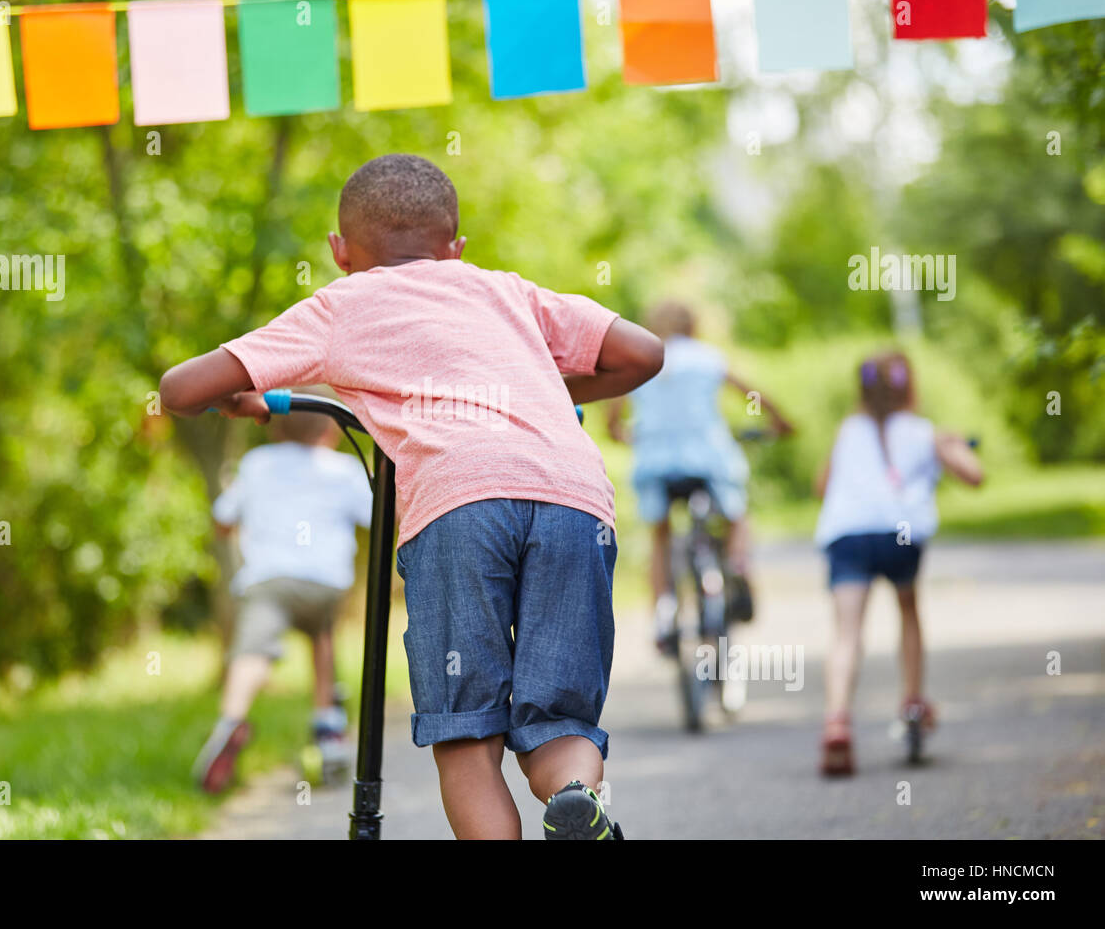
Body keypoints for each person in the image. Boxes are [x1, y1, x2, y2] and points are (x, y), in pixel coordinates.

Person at [160, 154, 664, 839]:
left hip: (460, 503)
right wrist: (541, 395)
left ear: (340, 251)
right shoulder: (504, 290)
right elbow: (643, 352)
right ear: (456, 247)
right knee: (560, 724)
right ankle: (579, 799)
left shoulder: (340, 305)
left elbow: (179, 390)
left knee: (467, 736)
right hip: (574, 498)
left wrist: (246, 398)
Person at [192, 391, 373, 794]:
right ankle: (327, 728)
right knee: (322, 638)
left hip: (270, 581)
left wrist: (239, 526)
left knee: (252, 652)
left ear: (274, 426)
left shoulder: (257, 464)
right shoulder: (343, 469)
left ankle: (231, 720)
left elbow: (223, 519)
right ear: (332, 429)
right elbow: (378, 514)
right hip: (325, 582)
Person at [813, 350, 983, 776]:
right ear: (911, 387)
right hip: (900, 536)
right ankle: (911, 701)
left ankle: (837, 721)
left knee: (847, 632)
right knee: (907, 609)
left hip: (848, 533)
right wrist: (954, 445)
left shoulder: (848, 430)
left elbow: (821, 486)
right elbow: (974, 476)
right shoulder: (924, 431)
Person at [607, 300, 792, 653]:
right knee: (736, 517)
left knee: (660, 536)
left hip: (657, 462)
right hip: (709, 459)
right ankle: (738, 567)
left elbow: (614, 417)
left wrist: (625, 433)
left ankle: (664, 610)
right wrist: (779, 422)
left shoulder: (642, 359)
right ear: (692, 326)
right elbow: (750, 393)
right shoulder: (707, 358)